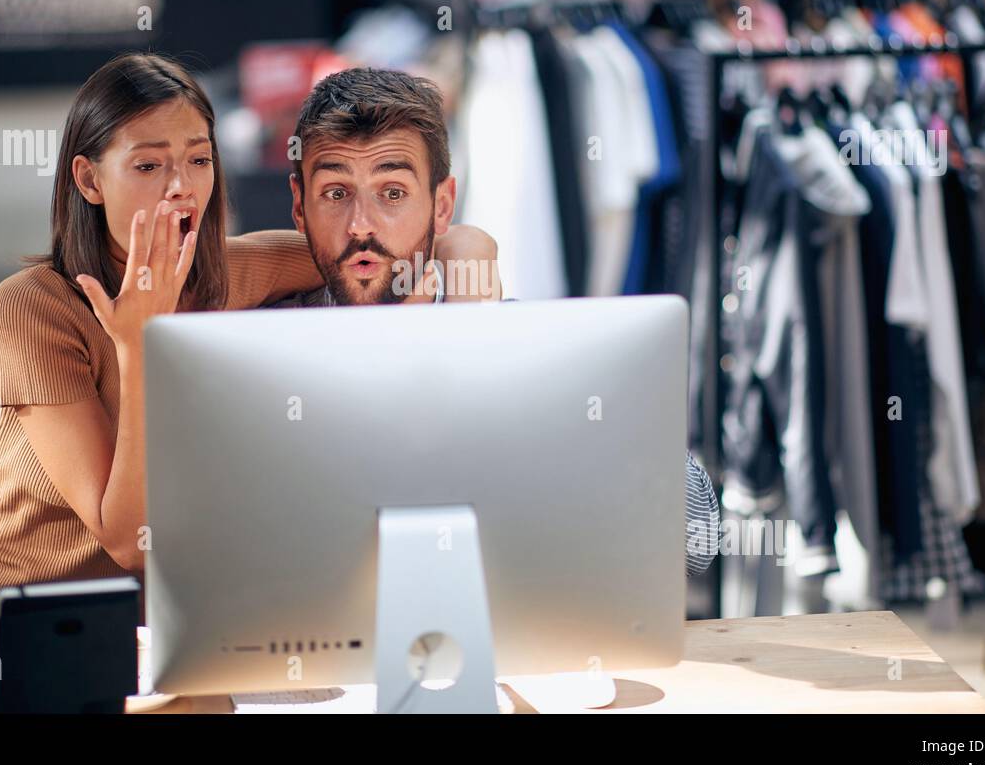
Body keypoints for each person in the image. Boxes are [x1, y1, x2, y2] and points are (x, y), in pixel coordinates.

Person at [0, 53, 500, 664]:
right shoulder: (33, 312)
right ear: (90, 180)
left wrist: (471, 263)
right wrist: (137, 344)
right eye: (149, 164)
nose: (181, 186)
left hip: (128, 644)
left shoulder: (221, 274)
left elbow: (368, 244)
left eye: (199, 159)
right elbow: (128, 537)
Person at [278, 66, 720, 576]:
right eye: (336, 193)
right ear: (299, 205)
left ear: (442, 207)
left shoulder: (522, 343)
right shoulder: (256, 354)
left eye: (393, 193)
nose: (360, 226)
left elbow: (697, 543)